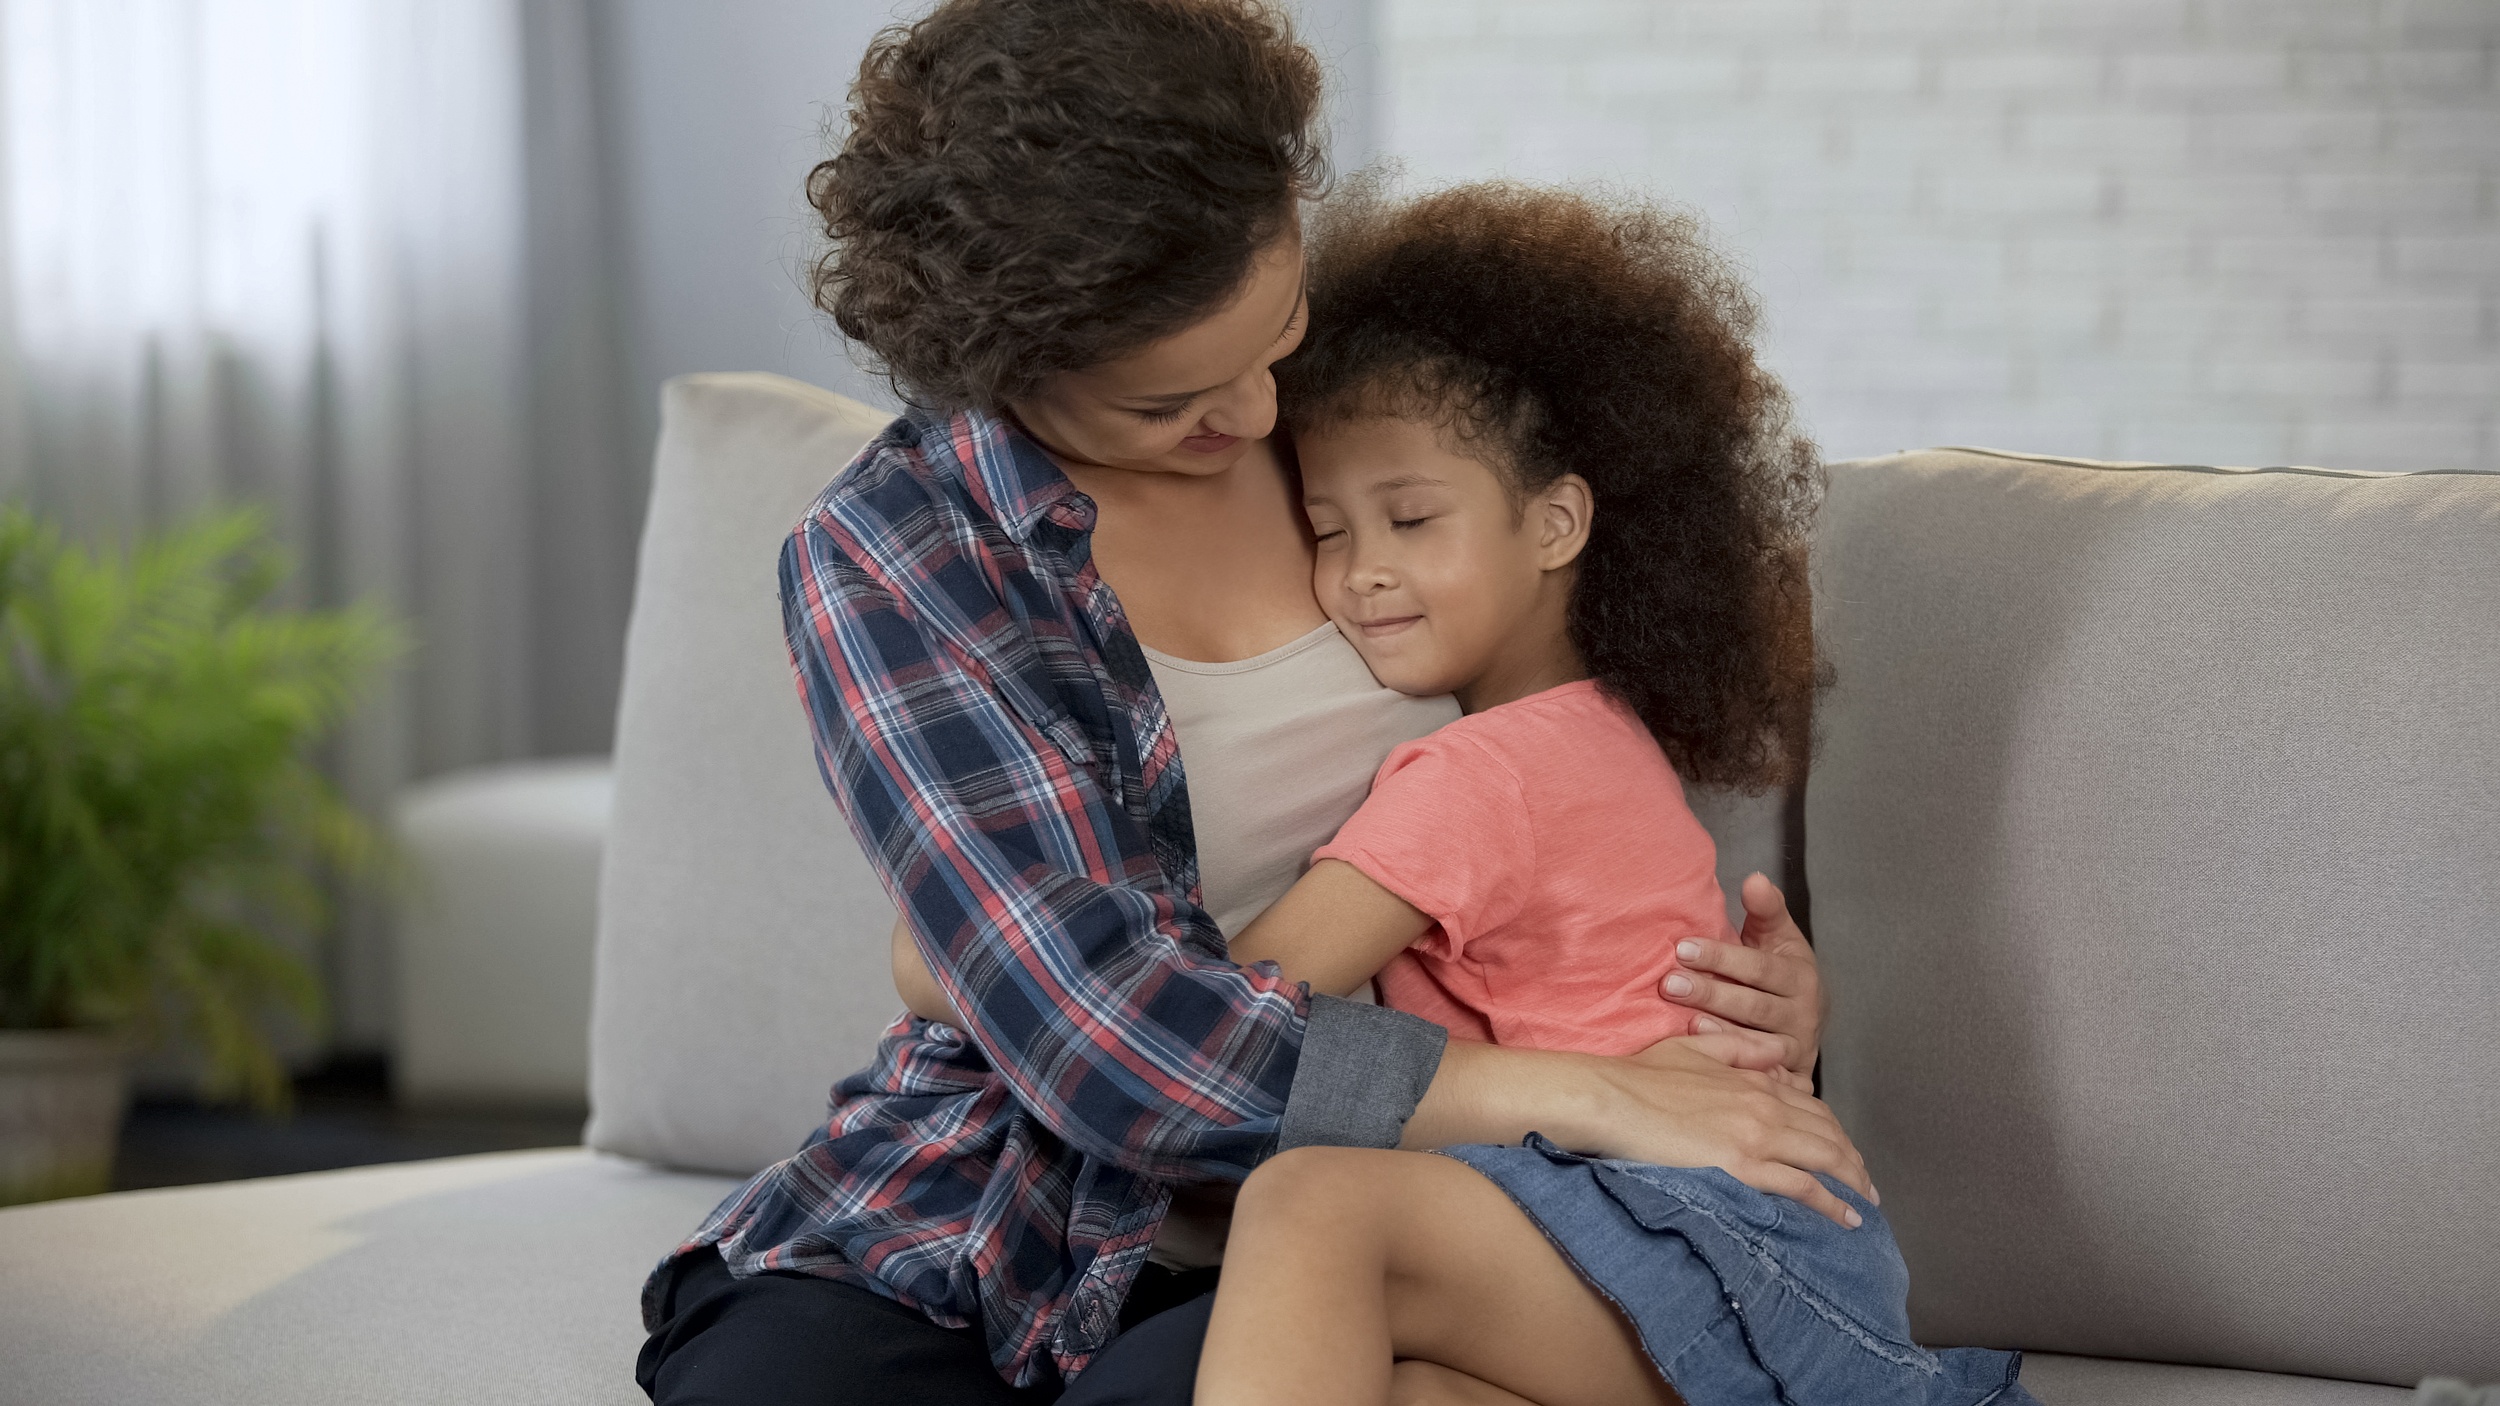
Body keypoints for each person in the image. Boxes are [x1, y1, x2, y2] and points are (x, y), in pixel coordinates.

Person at [635, 4, 1856, 1403]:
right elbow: (1107, 1042)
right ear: (1007, 362)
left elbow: (1600, 801)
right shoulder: (904, 557)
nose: (1263, 420)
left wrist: (1742, 1009)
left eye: (1277, 334)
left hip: (1359, 1221)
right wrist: (1585, 1090)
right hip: (985, 1207)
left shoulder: (1395, 434)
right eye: (1170, 404)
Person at [1178, 183, 2038, 1405]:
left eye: (1411, 517)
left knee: (1311, 1205)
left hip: (1684, 1225)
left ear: (1558, 519)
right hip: (1760, 1227)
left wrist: (986, 958)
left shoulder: (1483, 774)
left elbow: (1224, 1014)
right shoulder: (1598, 733)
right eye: (1325, 529)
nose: (1362, 571)